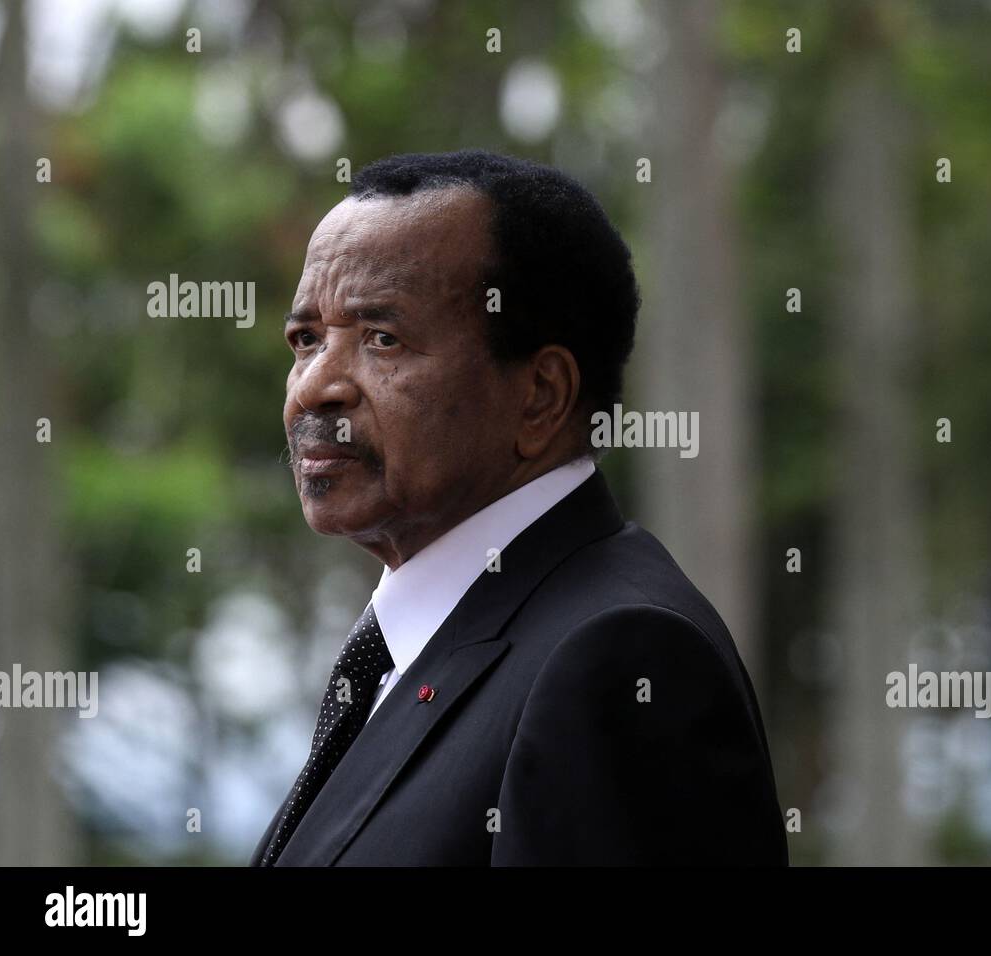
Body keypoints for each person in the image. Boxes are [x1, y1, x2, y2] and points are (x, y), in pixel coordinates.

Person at [250, 150, 787, 866]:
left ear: (540, 397)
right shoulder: (416, 650)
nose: (315, 387)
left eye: (382, 339)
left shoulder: (616, 661)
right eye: (307, 339)